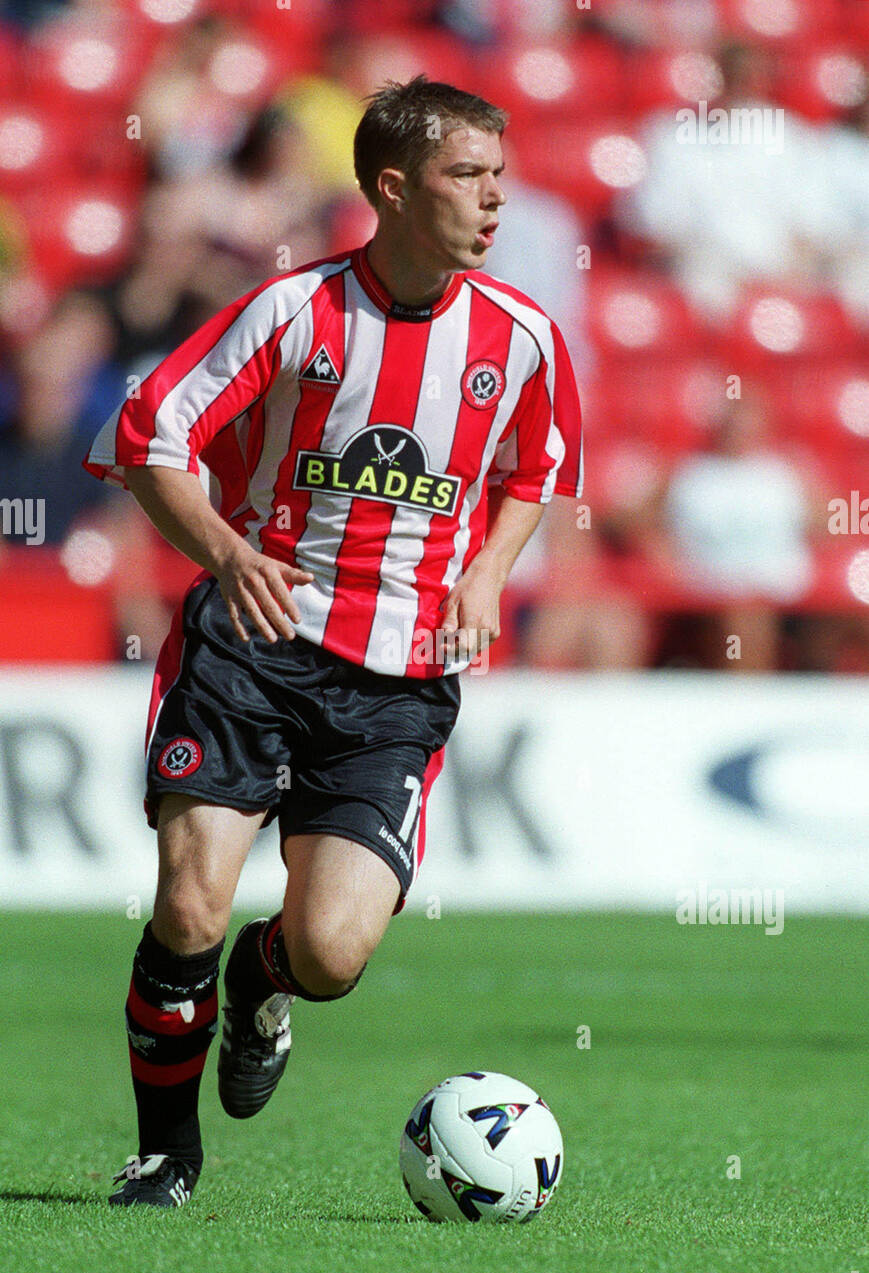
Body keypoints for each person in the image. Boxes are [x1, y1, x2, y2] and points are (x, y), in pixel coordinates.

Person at [83, 75, 582, 1208]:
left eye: (500, 175)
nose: (494, 199)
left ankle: (264, 984)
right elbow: (152, 434)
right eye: (468, 175)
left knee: (330, 955)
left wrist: (490, 572)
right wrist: (225, 553)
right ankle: (166, 1150)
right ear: (394, 189)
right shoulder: (292, 312)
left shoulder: (520, 337)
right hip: (251, 650)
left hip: (397, 686)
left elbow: (534, 468)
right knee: (187, 905)